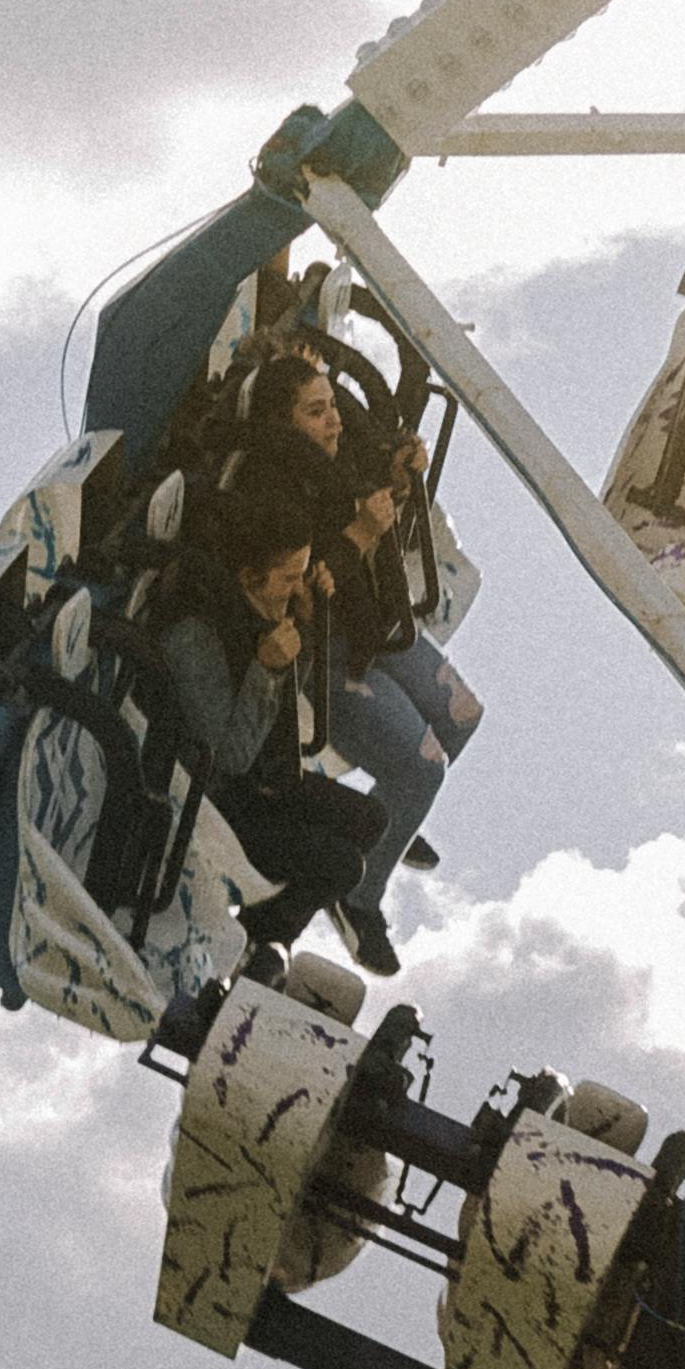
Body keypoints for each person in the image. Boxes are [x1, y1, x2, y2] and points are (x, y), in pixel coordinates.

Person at [148, 466, 383, 969]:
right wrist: (266, 668)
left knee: (369, 819)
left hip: (257, 776)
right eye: (289, 577)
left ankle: (274, 917)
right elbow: (227, 757)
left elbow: (282, 710)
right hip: (214, 803)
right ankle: (257, 943)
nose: (296, 585)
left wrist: (305, 625)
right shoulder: (196, 638)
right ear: (248, 576)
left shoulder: (258, 608)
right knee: (342, 864)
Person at [317, 408, 480, 977]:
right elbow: (308, 578)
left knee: (462, 716)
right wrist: (359, 533)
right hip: (328, 647)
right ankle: (356, 897)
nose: (333, 419)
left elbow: (400, 526)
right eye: (317, 411)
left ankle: (390, 819)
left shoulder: (349, 449)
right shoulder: (287, 484)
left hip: (378, 624)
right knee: (423, 767)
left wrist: (402, 476)